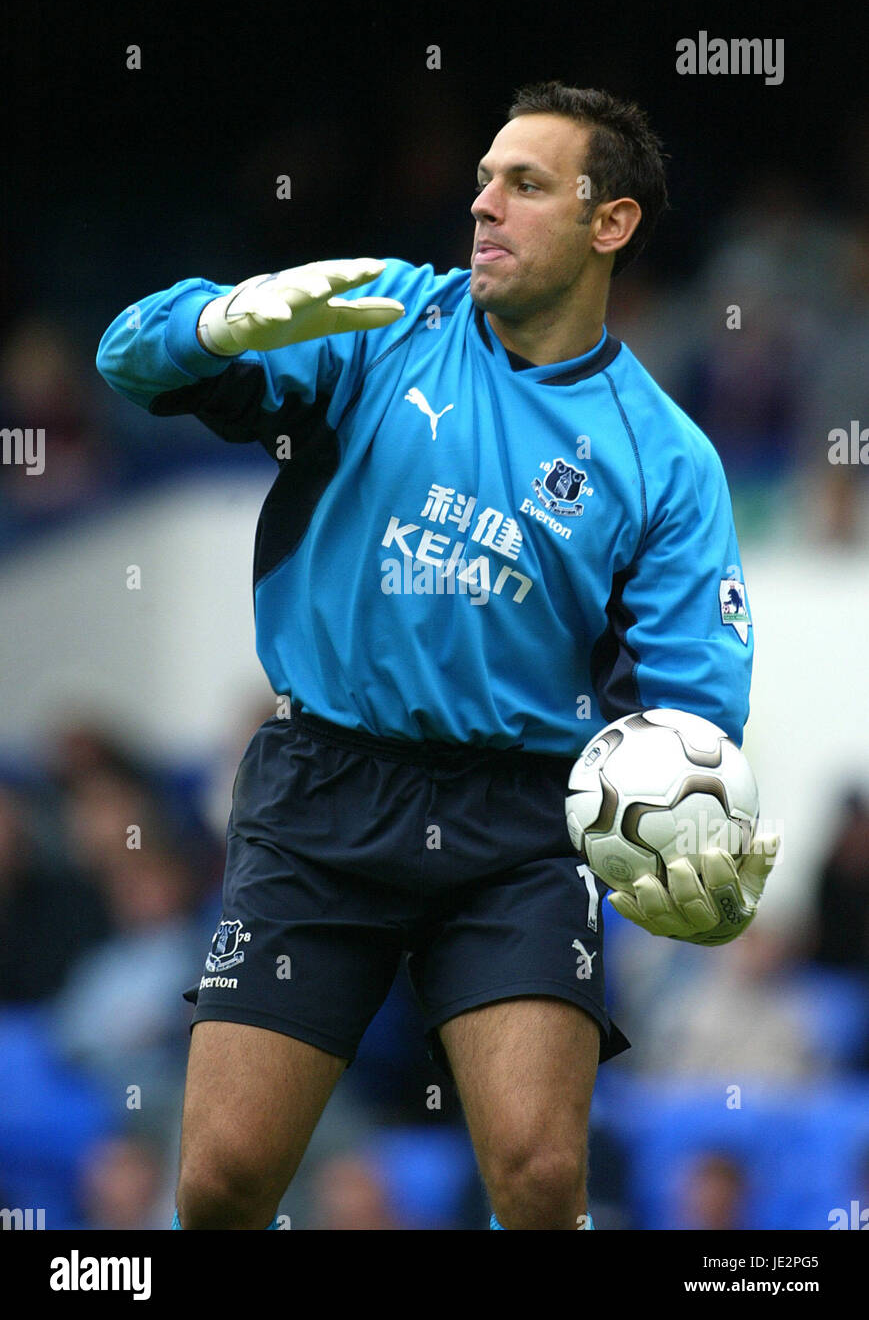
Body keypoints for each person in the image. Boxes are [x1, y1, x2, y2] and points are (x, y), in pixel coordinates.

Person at [96, 82, 776, 1230]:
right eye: (481, 180)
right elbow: (129, 362)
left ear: (609, 222)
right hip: (322, 790)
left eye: (525, 184)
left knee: (540, 1176)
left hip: (520, 825)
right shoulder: (376, 320)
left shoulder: (665, 456)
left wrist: (696, 844)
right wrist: (214, 326)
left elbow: (692, 712)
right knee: (220, 1180)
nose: (483, 204)